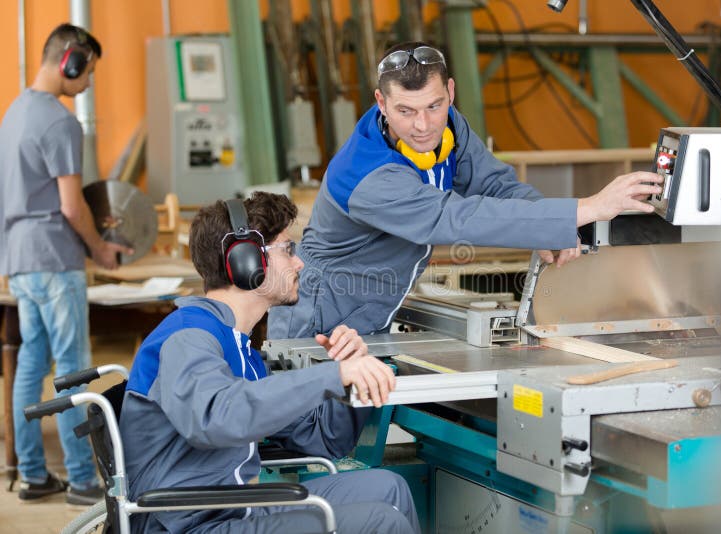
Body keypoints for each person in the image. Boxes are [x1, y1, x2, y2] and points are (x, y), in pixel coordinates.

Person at [268, 42, 664, 339]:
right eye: (405, 111)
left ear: (450, 93)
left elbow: (495, 184)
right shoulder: (367, 174)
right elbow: (454, 217)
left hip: (376, 306)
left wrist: (548, 229)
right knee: (320, 437)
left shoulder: (449, 127)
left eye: (434, 106)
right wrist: (586, 208)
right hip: (325, 311)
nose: (423, 125)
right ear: (381, 104)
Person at [119, 192, 420, 534]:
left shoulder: (240, 348)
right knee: (380, 522)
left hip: (234, 506)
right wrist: (330, 375)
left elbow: (323, 440)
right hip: (190, 522)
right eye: (289, 250)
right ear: (247, 261)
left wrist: (351, 367)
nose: (300, 263)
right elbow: (216, 417)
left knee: (388, 489)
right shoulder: (189, 336)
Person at [0, 23, 131, 504]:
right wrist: (100, 249)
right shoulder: (59, 122)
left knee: (30, 364)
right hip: (55, 260)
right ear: (69, 62)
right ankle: (81, 480)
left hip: (20, 260)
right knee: (75, 369)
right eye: (88, 72)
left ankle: (33, 475)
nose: (89, 82)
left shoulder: (12, 113)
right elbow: (71, 207)